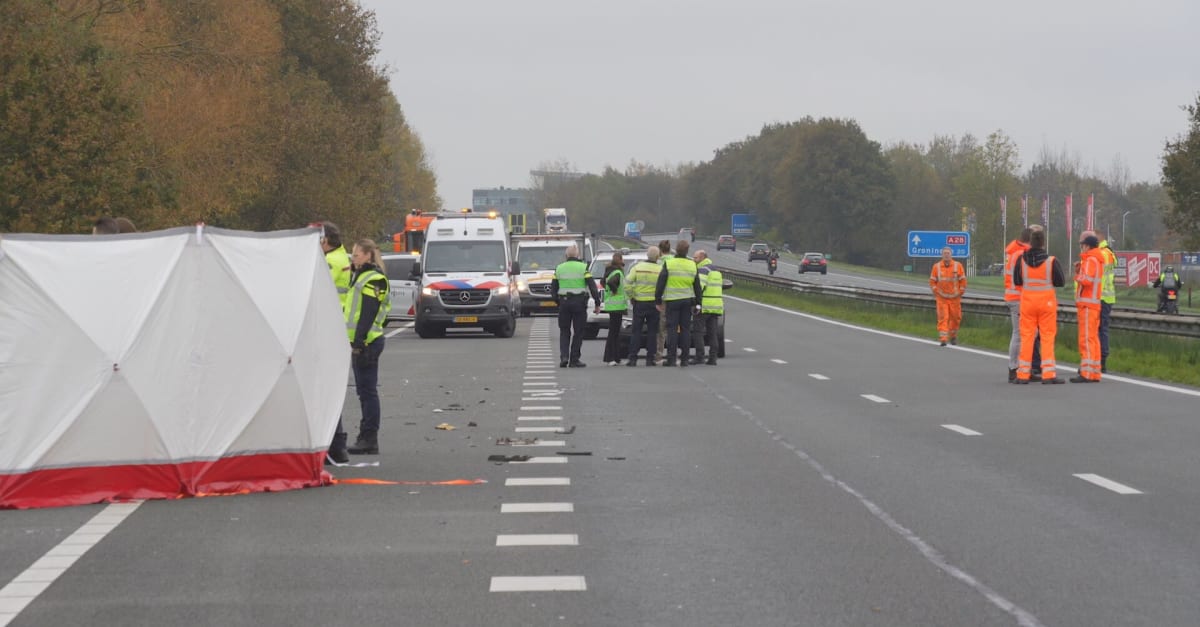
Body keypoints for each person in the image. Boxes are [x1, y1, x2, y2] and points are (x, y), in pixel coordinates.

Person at [345, 238, 390, 454]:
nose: (353, 258)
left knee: (368, 391)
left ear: (368, 255)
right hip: (361, 340)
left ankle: (369, 437)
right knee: (363, 391)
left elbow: (368, 311)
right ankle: (366, 436)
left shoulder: (374, 279)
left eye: (356, 255)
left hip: (368, 341)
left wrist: (360, 341)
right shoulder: (361, 276)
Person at [1013, 229, 1066, 384]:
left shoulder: (1022, 260)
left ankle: (1023, 375)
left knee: (1027, 337)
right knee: (1047, 337)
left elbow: (1017, 280)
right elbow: (1060, 282)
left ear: (1030, 242)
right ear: (1043, 243)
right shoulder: (1051, 261)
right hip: (1046, 304)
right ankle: (1048, 375)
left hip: (1028, 303)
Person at [321, 223, 354, 462]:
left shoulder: (329, 262)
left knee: (324, 389)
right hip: (338, 326)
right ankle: (336, 446)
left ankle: (334, 446)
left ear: (325, 241)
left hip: (328, 326)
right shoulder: (342, 256)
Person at [654, 239, 703, 367]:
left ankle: (671, 359)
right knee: (685, 330)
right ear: (687, 251)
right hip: (687, 301)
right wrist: (698, 303)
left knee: (672, 330)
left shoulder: (669, 263)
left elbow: (661, 282)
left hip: (672, 301)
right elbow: (697, 286)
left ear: (676, 249)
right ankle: (685, 359)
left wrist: (658, 299)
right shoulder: (692, 264)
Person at [1003, 227, 1043, 381]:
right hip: (1020, 298)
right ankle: (1015, 368)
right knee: (1021, 334)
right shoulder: (1023, 255)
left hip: (1015, 297)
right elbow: (1025, 279)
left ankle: (1022, 368)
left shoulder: (1014, 253)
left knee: (1028, 334)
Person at [551, 244, 601, 368]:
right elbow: (592, 287)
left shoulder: (559, 268)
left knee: (564, 331)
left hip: (564, 303)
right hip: (579, 303)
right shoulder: (583, 267)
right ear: (577, 255)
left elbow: (553, 289)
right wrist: (597, 303)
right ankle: (574, 359)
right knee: (578, 332)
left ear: (566, 255)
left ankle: (564, 357)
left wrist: (558, 302)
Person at [1071, 235, 1104, 383]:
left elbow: (1087, 280)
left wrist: (1077, 275)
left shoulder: (1090, 260)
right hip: (1093, 305)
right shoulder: (1097, 259)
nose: (1081, 248)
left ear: (1087, 246)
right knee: (1093, 339)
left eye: (1082, 245)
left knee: (1086, 340)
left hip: (1087, 305)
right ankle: (1095, 372)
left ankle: (1086, 373)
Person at [625, 246, 663, 367]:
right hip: (654, 304)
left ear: (647, 255)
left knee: (636, 331)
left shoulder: (638, 267)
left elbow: (627, 284)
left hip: (639, 303)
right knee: (652, 332)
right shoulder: (660, 269)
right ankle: (650, 359)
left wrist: (632, 296)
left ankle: (632, 358)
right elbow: (664, 287)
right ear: (657, 257)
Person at [929, 247, 967, 346]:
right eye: (945, 253)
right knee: (943, 318)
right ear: (942, 255)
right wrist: (936, 291)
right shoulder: (936, 267)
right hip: (942, 298)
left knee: (956, 318)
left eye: (948, 253)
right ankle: (943, 338)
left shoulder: (957, 266)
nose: (946, 255)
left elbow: (963, 280)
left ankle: (953, 337)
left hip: (955, 298)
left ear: (951, 255)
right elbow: (932, 281)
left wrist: (961, 291)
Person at [691, 250, 723, 365]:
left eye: (696, 258)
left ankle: (699, 356)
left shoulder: (703, 270)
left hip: (704, 305)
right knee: (712, 333)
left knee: (698, 331)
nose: (694, 260)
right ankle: (713, 358)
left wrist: (695, 303)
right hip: (716, 306)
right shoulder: (716, 270)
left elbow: (699, 288)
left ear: (703, 257)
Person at [601, 252, 628, 365]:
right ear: (620, 260)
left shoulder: (609, 271)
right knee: (614, 332)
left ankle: (616, 357)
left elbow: (603, 282)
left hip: (612, 304)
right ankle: (610, 358)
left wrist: (609, 290)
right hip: (616, 305)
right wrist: (615, 291)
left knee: (615, 332)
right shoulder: (617, 272)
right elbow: (611, 283)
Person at [1095, 235, 1117, 372]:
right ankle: (1101, 361)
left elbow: (1098, 276)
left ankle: (1100, 361)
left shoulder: (1101, 254)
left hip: (1099, 297)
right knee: (1102, 329)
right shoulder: (1108, 252)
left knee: (1099, 330)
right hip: (1107, 297)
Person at [654, 239, 672, 364]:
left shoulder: (657, 263)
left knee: (661, 329)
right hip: (674, 297)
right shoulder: (674, 261)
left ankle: (659, 355)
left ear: (659, 250)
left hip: (662, 299)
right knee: (673, 328)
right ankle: (673, 354)